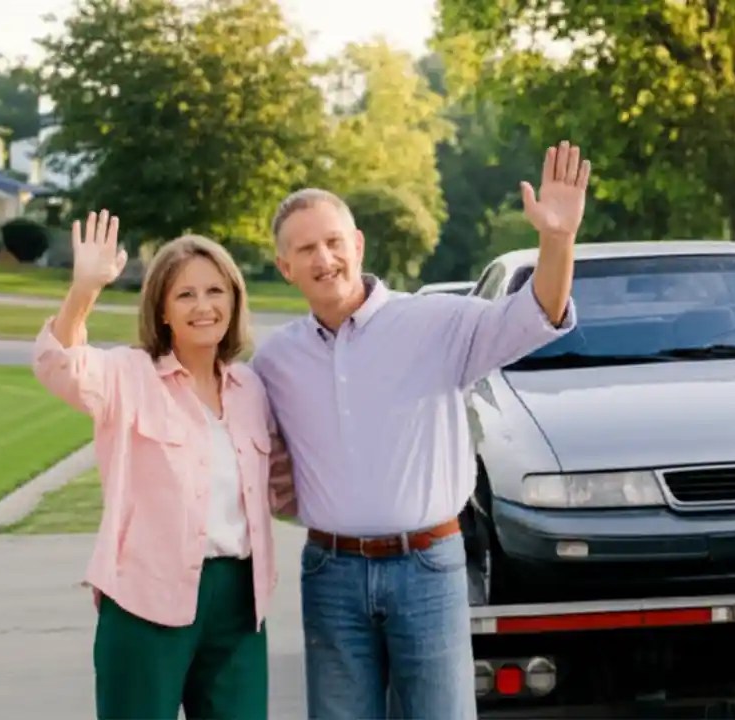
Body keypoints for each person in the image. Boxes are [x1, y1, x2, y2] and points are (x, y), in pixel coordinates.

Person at [251, 141, 589, 719]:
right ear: (285, 267)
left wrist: (556, 240)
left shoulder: (437, 323)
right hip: (331, 574)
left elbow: (536, 315)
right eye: (306, 249)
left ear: (357, 245)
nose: (324, 258)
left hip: (427, 567)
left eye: (334, 242)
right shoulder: (275, 360)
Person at [31, 210, 296, 720]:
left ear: (234, 299)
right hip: (143, 602)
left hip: (239, 604)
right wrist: (83, 291)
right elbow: (58, 365)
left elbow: (284, 484)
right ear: (163, 312)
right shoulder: (129, 376)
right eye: (186, 295)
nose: (204, 306)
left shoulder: (251, 390)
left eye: (215, 291)